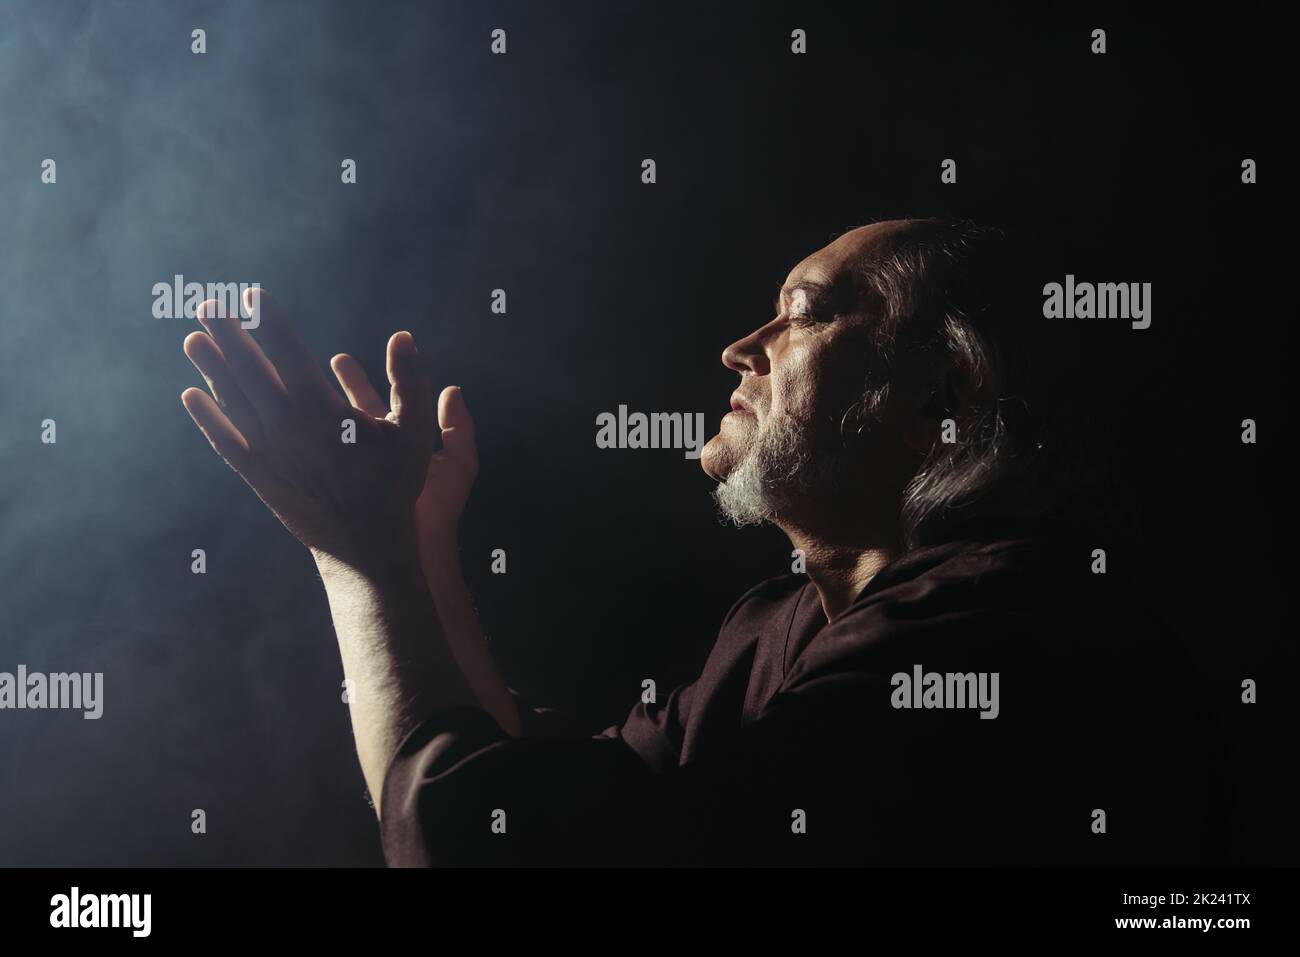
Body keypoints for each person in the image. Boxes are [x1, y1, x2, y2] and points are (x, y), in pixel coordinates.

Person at [181, 218, 1225, 866]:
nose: (740, 349)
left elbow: (479, 845)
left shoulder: (1003, 626)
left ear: (938, 400)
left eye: (801, 316)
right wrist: (398, 549)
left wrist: (373, 562)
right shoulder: (772, 630)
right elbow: (505, 796)